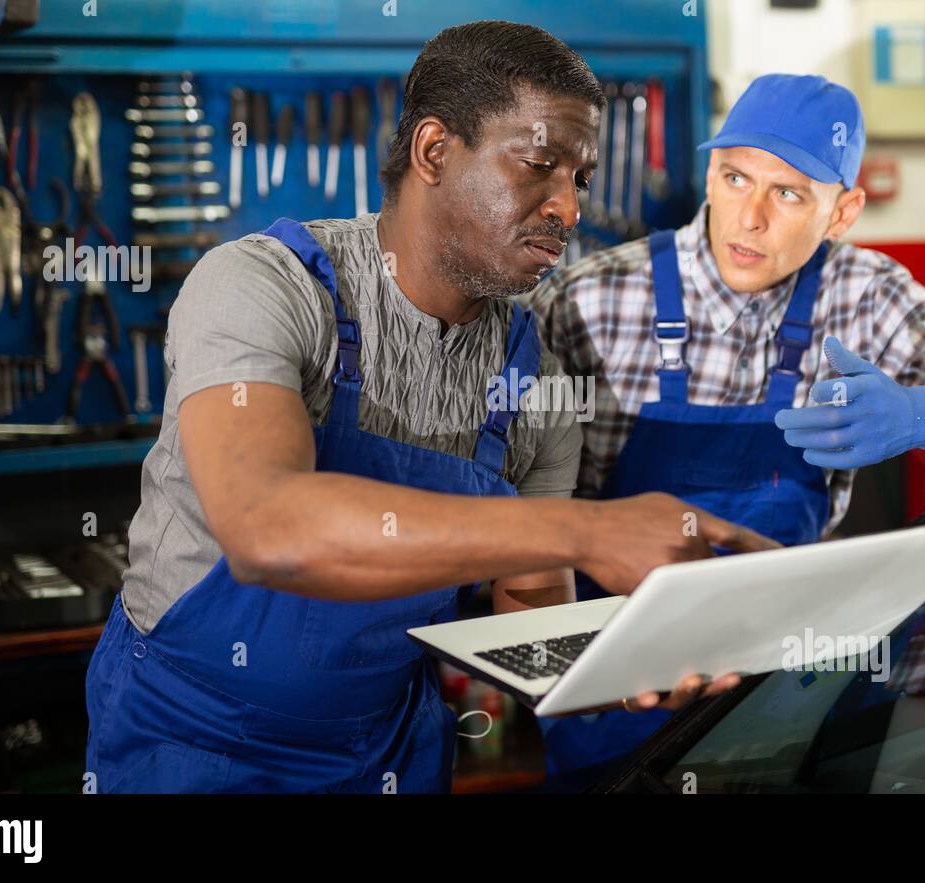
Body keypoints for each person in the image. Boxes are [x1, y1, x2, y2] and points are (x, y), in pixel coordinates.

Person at [83, 21, 770, 795]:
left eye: (579, 180)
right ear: (435, 151)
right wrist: (592, 529)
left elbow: (531, 622)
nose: (569, 211)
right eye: (541, 166)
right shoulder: (261, 287)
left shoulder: (536, 379)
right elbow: (265, 526)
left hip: (384, 754)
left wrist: (643, 662)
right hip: (192, 743)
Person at [528, 73, 925, 784]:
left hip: (780, 692)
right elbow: (531, 519)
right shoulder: (588, 301)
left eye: (788, 194)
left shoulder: (864, 293)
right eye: (735, 176)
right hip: (622, 692)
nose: (749, 217)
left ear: (842, 213)